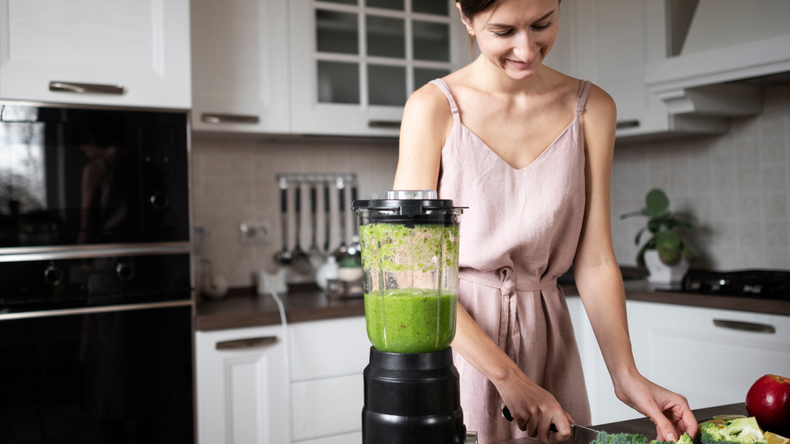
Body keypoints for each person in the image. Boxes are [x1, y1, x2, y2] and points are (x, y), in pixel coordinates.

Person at [392, 1, 699, 443]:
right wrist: (507, 376)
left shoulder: (592, 108)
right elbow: (413, 270)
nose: (527, 49)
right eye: (503, 31)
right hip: (454, 343)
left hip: (548, 340)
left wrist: (626, 374)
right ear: (466, 16)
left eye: (542, 24)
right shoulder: (433, 108)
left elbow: (593, 260)